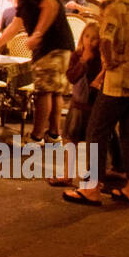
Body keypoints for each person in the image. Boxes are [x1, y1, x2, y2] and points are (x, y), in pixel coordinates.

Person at [63, 0, 129, 206]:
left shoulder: (115, 9)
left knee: (96, 130)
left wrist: (109, 62)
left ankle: (92, 187)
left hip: (117, 82)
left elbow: (107, 40)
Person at [0, 0, 76, 143]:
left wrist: (37, 34)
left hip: (50, 45)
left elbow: (51, 6)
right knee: (55, 91)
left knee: (43, 91)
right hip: (60, 44)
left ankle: (37, 136)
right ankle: (54, 134)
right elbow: (17, 23)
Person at [48, 22, 101, 187]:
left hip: (93, 104)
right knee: (70, 140)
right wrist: (83, 61)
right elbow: (71, 76)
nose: (89, 41)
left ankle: (93, 177)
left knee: (94, 141)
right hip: (77, 104)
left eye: (94, 38)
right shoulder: (77, 55)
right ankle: (67, 173)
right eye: (87, 36)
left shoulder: (100, 58)